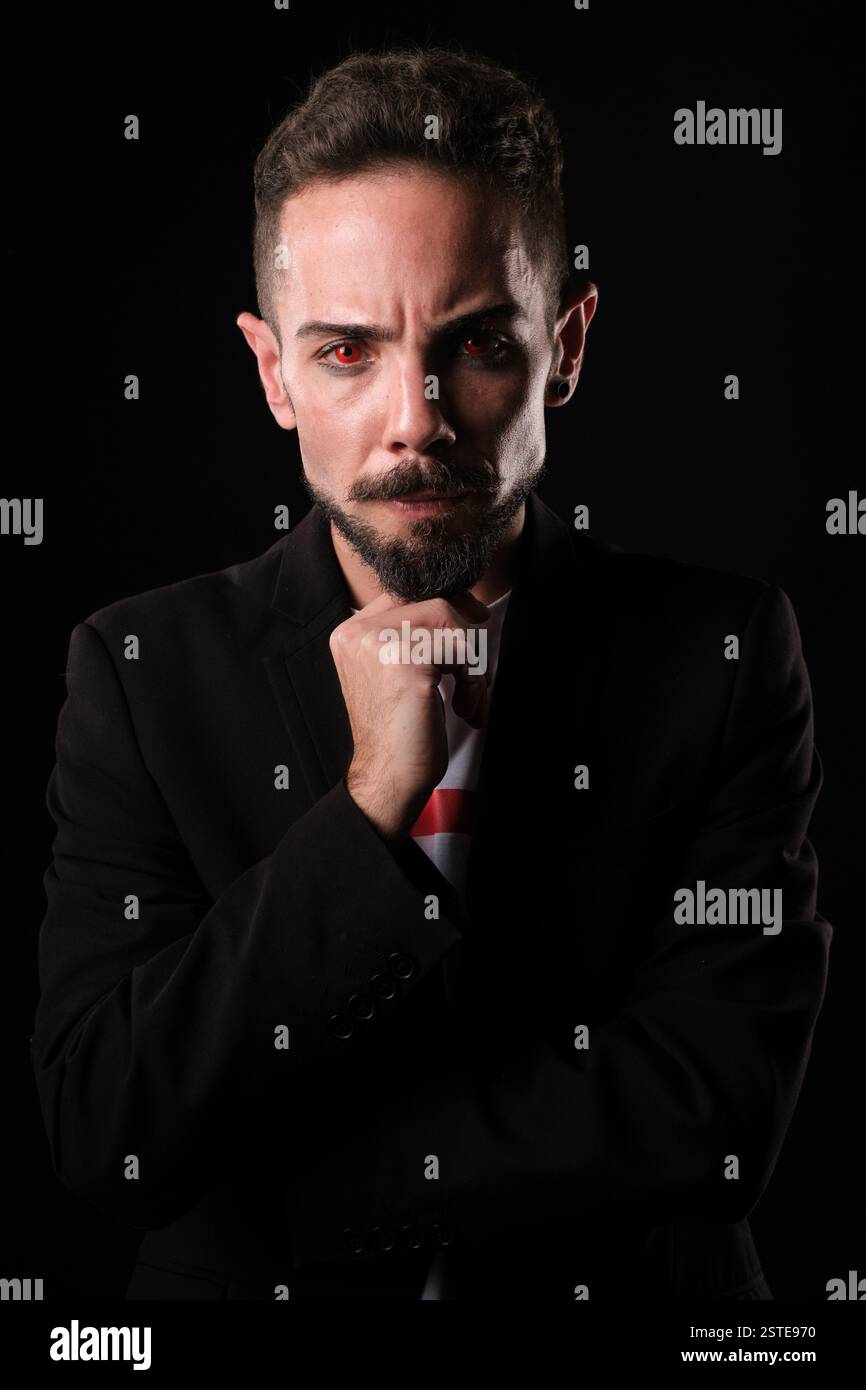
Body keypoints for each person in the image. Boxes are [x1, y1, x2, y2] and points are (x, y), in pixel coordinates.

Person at [31, 45, 830, 1301]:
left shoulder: (716, 657)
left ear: (564, 346)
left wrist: (307, 1185)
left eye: (474, 345)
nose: (416, 419)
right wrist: (365, 812)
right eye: (346, 352)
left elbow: (713, 1106)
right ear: (271, 372)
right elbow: (109, 1125)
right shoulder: (139, 673)